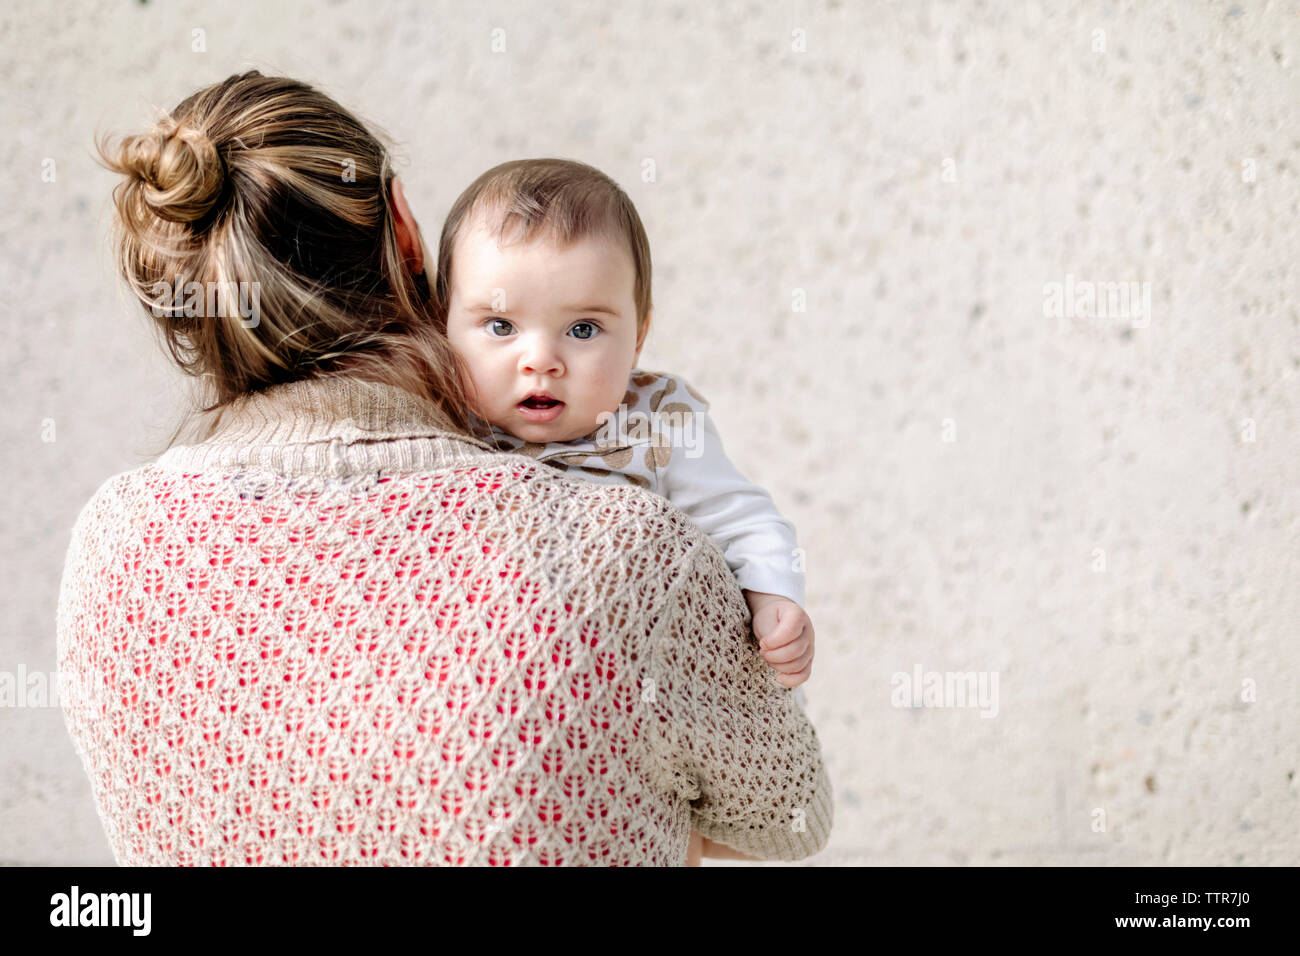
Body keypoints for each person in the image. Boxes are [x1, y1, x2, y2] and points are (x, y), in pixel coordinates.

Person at [56, 70, 833, 866]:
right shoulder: (632, 557)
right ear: (406, 232)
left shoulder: (113, 547)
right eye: (501, 323)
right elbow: (792, 817)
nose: (542, 361)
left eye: (585, 329)